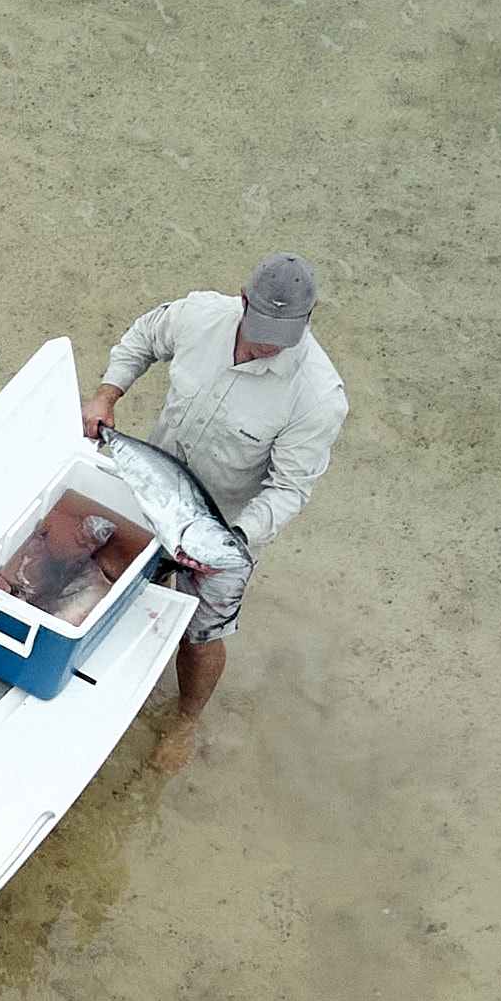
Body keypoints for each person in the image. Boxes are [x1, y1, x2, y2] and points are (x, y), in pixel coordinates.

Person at [82, 252, 349, 773]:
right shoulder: (199, 315)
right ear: (242, 300)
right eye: (261, 327)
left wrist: (229, 539)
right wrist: (106, 395)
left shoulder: (317, 396)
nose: (269, 344)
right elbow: (142, 339)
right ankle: (102, 679)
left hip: (228, 529)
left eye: (284, 333)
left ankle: (185, 720)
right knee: (108, 576)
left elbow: (290, 488)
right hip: (153, 494)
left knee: (203, 635)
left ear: (309, 320)